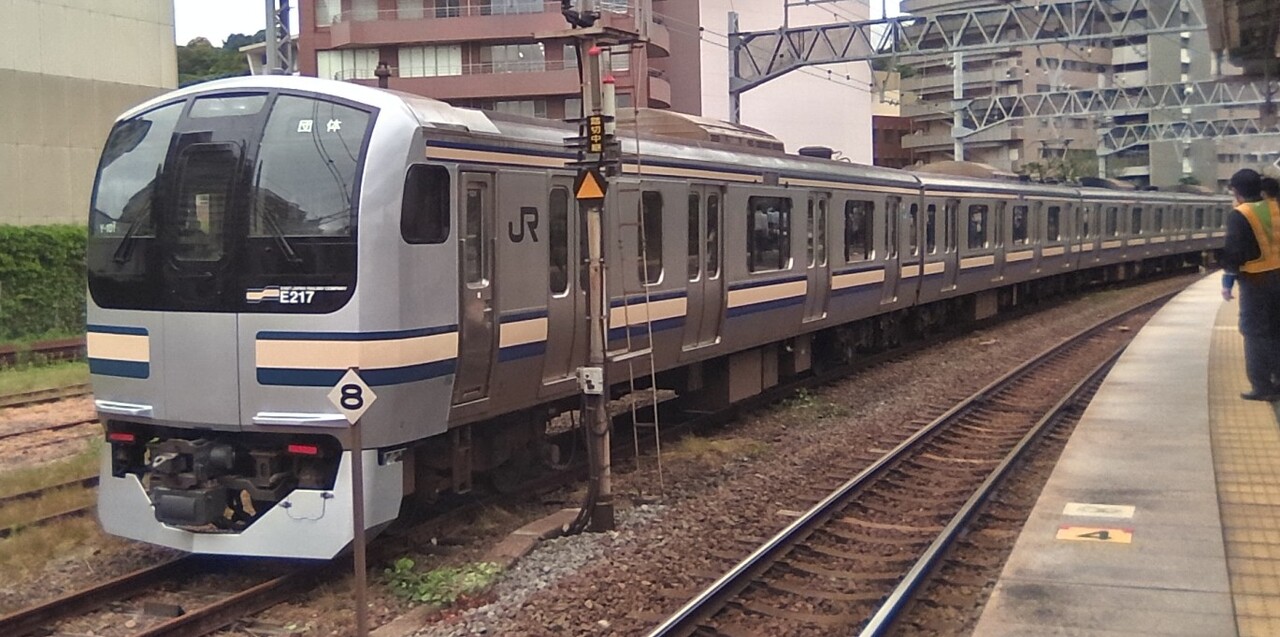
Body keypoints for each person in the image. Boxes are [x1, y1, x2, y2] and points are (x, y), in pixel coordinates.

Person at [1221, 168, 1280, 401]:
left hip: (1256, 280)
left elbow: (1233, 252)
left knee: (1254, 332)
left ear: (1236, 191)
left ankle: (1262, 386)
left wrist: (1227, 282)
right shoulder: (1275, 207)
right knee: (1276, 329)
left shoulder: (1240, 214)